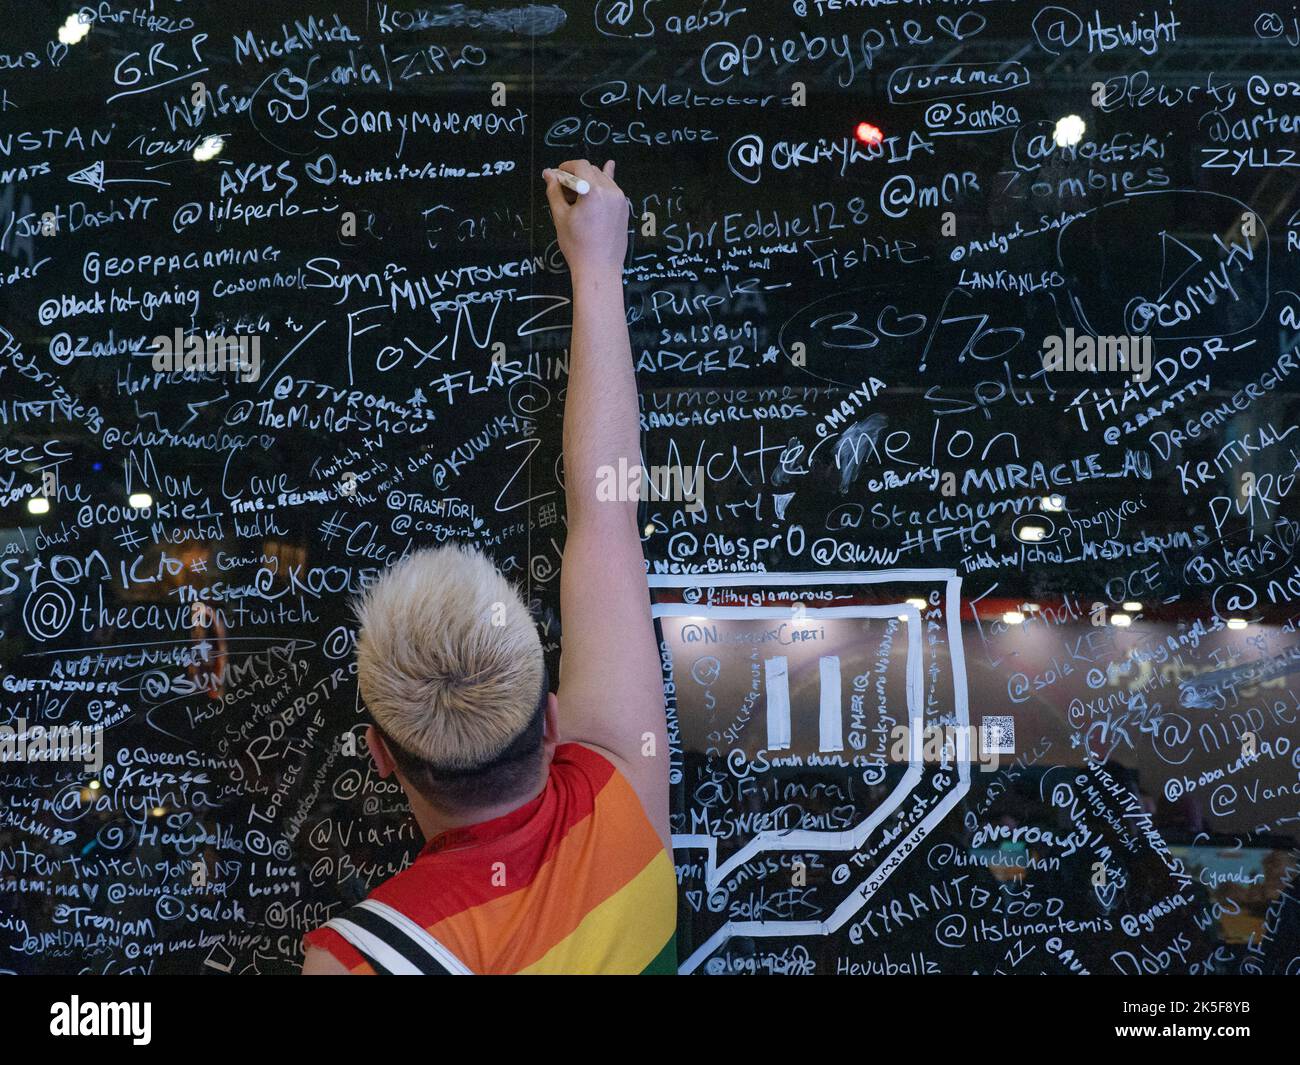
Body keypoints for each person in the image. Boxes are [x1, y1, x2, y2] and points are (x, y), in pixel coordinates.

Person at [300, 159, 676, 974]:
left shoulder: (361, 960)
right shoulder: (623, 790)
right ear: (549, 721)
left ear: (382, 754)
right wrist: (599, 270)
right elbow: (607, 511)